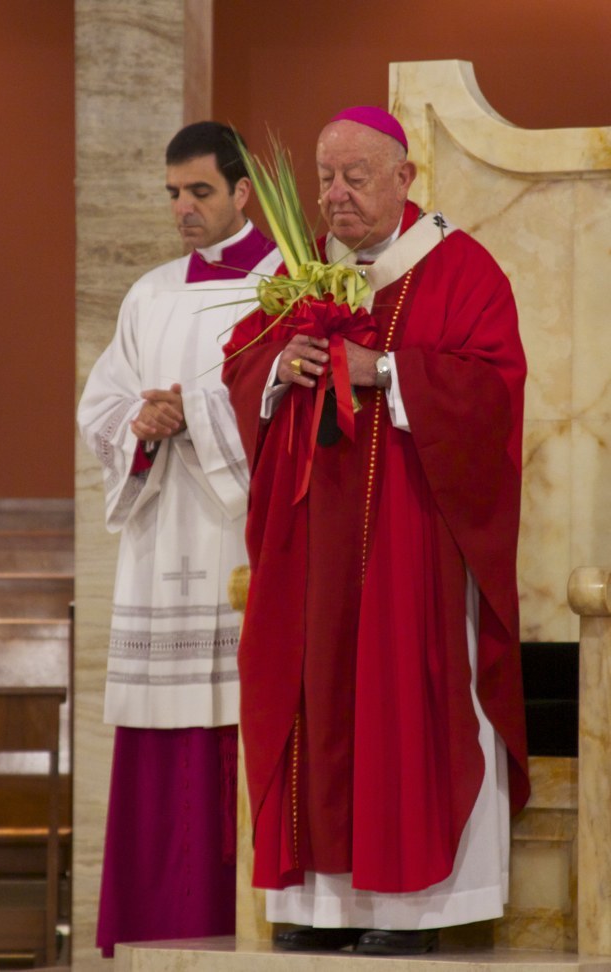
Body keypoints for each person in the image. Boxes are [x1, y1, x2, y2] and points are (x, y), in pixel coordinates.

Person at [222, 106, 530, 956]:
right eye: (325, 177)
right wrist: (281, 367)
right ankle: (321, 909)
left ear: (405, 179)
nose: (335, 195)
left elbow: (494, 390)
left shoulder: (460, 268)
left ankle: (412, 912)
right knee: (312, 695)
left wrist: (386, 370)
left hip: (413, 547)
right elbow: (240, 365)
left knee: (404, 702)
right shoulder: (301, 272)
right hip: (313, 552)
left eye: (357, 176)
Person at [77, 120, 280, 955]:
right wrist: (141, 420)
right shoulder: (150, 293)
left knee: (242, 718)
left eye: (200, 192)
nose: (183, 209)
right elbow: (101, 406)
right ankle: (155, 923)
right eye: (172, 194)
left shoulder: (289, 285)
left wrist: (191, 412)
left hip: (241, 535)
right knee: (162, 736)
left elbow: (291, 397)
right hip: (162, 538)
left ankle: (246, 925)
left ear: (242, 192)